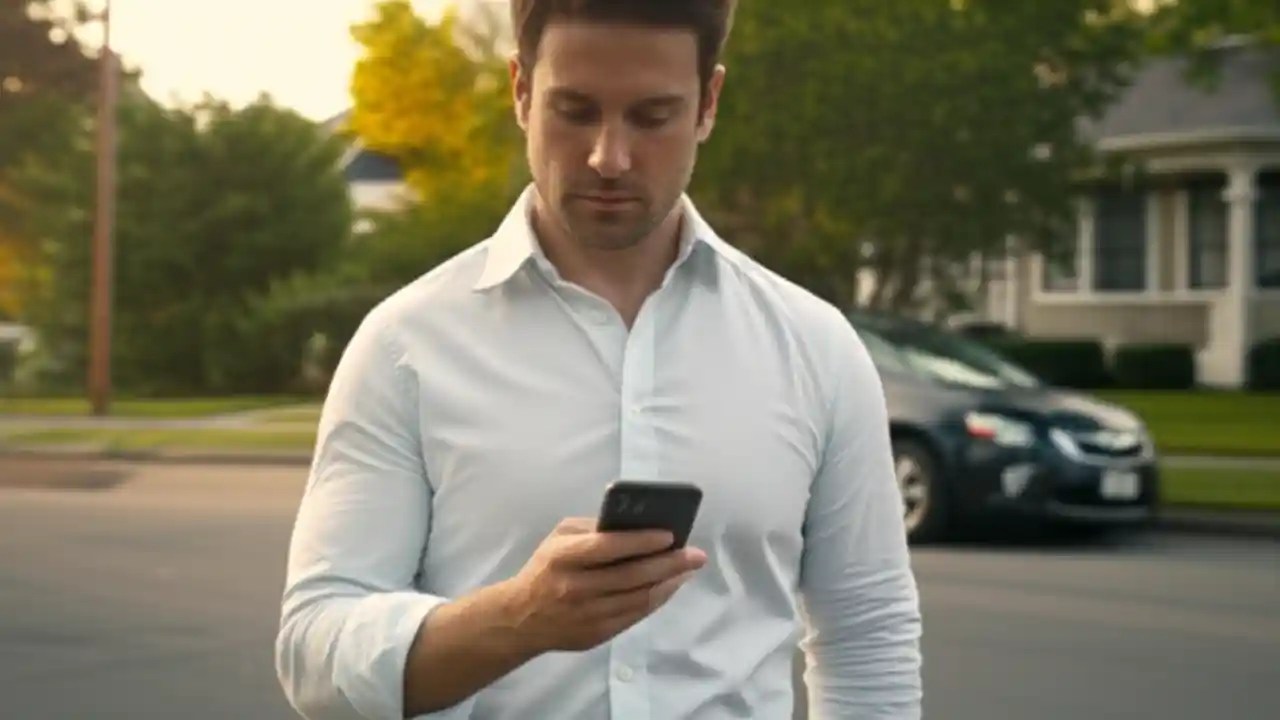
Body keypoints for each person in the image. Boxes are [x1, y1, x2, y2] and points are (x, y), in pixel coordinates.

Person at [274, 0, 923, 717]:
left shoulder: (816, 348)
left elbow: (867, 636)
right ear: (520, 91)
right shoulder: (406, 345)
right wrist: (518, 617)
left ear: (708, 104)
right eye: (575, 111)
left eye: (652, 116)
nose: (608, 157)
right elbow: (313, 656)